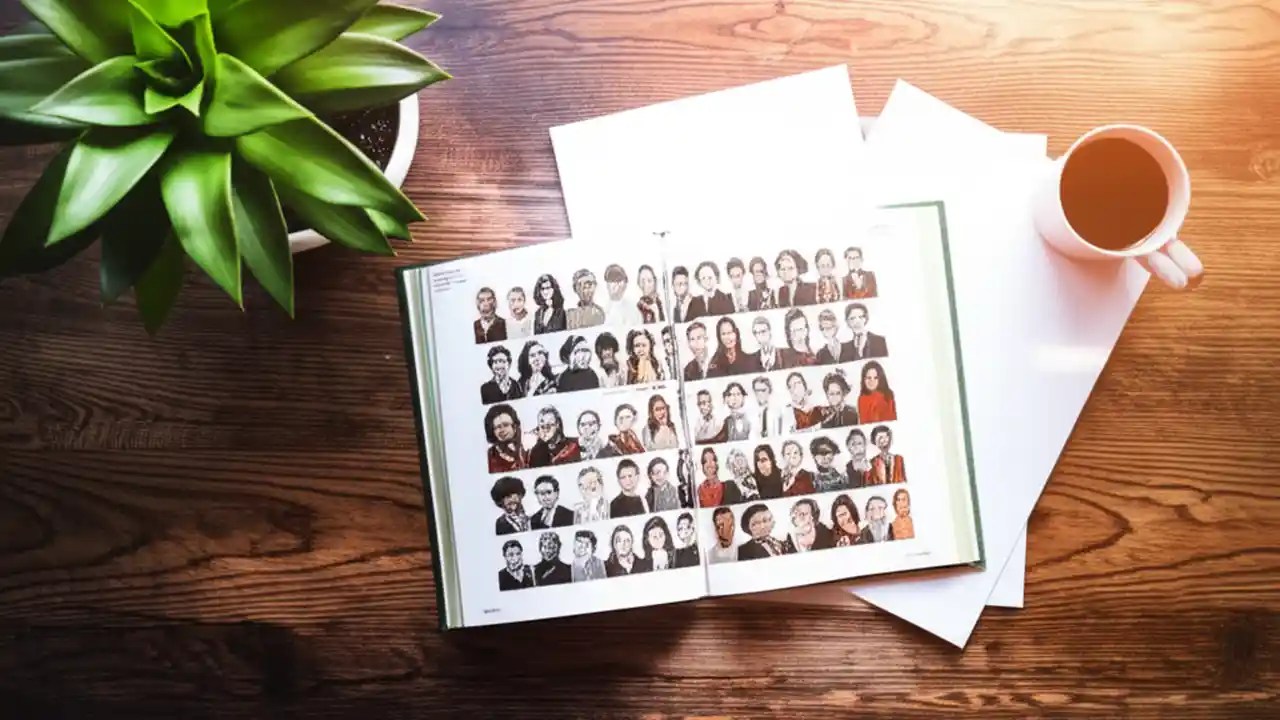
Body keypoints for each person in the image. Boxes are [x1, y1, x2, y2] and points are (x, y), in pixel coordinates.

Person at [485, 403, 528, 473]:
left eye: (506, 425)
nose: (502, 430)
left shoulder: (527, 449)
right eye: (498, 427)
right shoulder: (490, 456)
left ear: (514, 427)